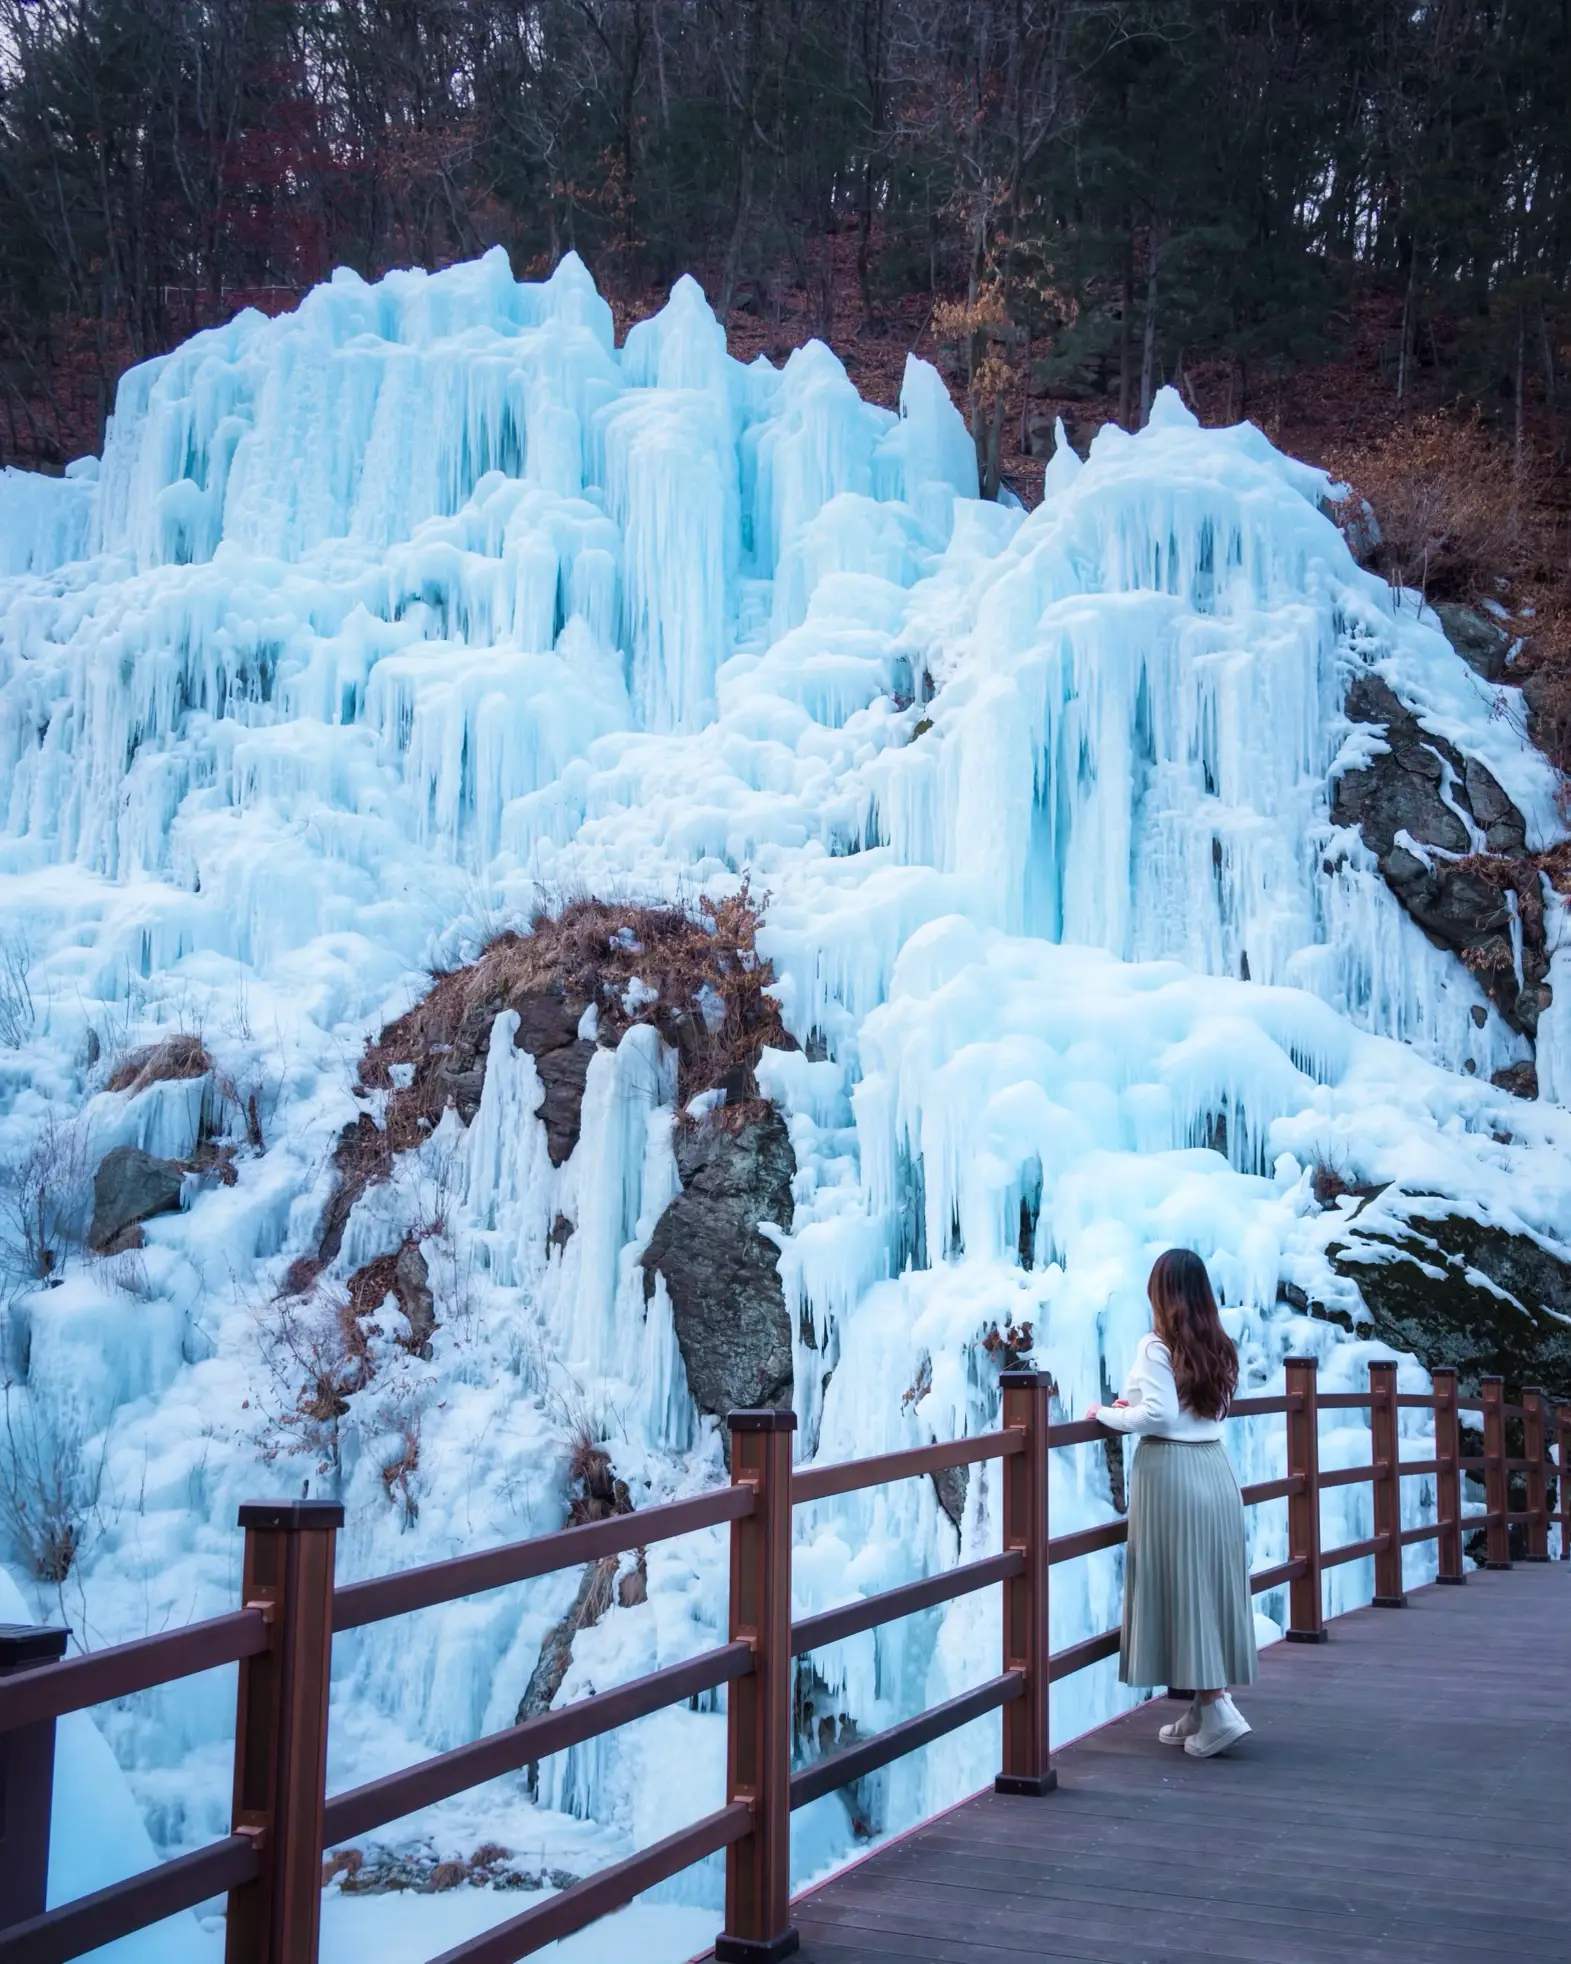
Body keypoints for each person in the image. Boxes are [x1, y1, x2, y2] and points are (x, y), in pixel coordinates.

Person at [1087, 1247, 1257, 1758]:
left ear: (1161, 1295)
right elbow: (1189, 1409)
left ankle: (1218, 1706)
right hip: (1214, 1471)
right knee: (1206, 1582)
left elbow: (1159, 1417)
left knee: (1185, 1586)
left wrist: (1106, 1415)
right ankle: (1201, 1710)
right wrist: (1137, 1405)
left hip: (1173, 1474)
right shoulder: (1217, 1343)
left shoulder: (1155, 1346)